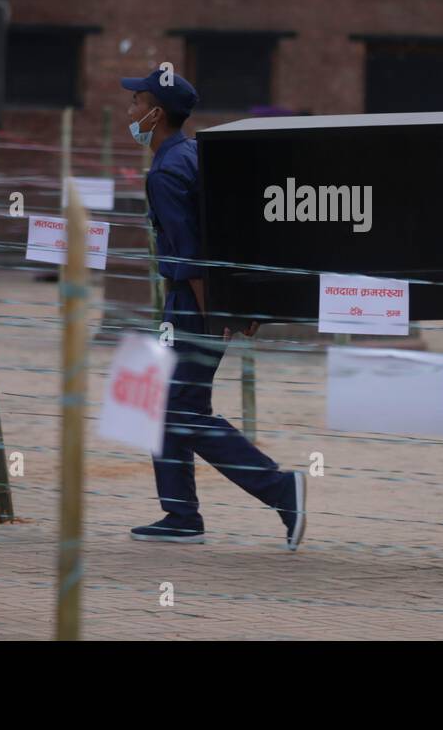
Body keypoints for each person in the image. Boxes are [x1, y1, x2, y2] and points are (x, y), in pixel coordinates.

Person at [122, 67, 306, 549]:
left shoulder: (166, 171)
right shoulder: (195, 155)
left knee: (183, 411)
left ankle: (281, 489)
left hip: (192, 302)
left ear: (157, 113)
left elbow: (191, 255)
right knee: (169, 404)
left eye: (137, 102)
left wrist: (216, 316)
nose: (131, 111)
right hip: (198, 298)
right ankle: (181, 515)